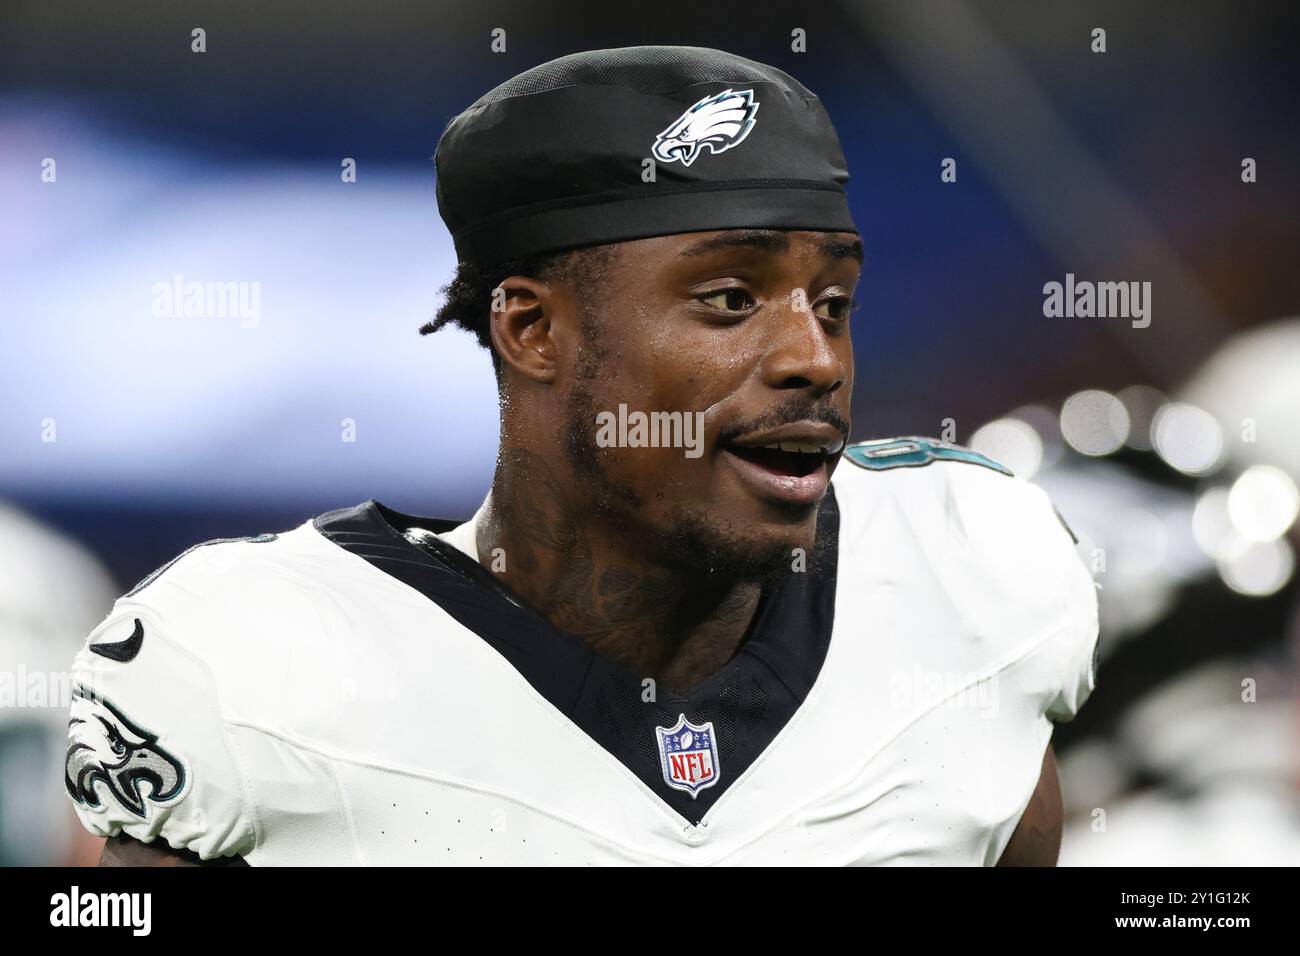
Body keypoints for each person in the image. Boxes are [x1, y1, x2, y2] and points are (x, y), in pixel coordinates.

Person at [67, 46, 1097, 866]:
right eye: (729, 301)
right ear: (532, 331)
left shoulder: (968, 577)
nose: (813, 357)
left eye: (832, 304)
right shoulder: (260, 664)